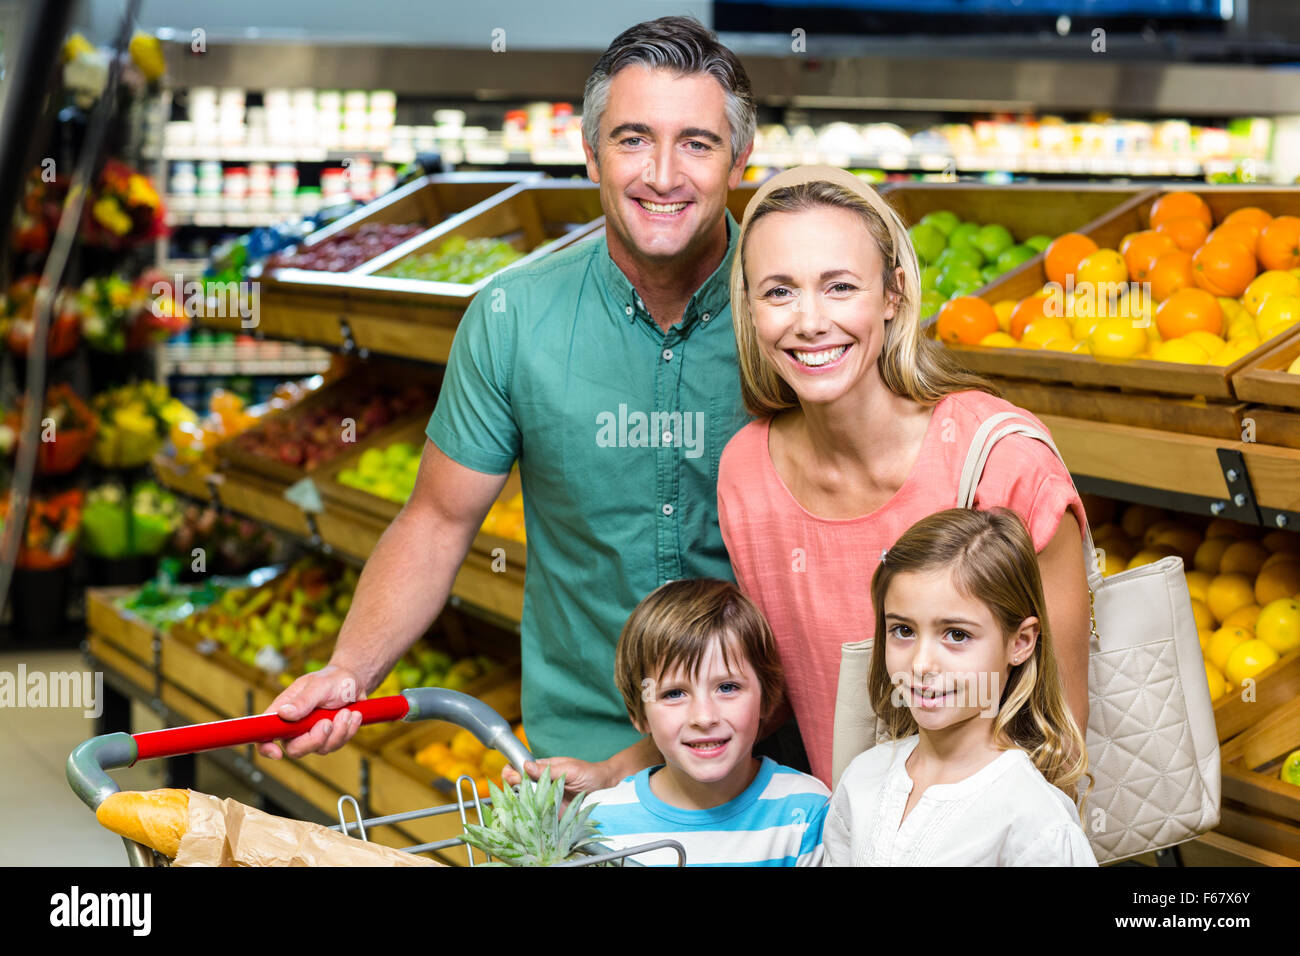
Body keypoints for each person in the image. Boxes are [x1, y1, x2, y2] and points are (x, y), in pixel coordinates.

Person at [256, 17, 758, 793]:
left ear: (740, 158)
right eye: (632, 140)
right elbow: (437, 520)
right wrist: (350, 670)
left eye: (697, 142)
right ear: (589, 154)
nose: (664, 173)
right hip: (577, 756)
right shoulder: (511, 317)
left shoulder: (793, 314)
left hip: (770, 752)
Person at [717, 165, 1092, 787]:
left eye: (840, 287)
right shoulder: (745, 472)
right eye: (778, 292)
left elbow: (1059, 731)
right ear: (749, 308)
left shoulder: (1001, 463)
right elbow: (782, 694)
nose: (809, 321)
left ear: (893, 295)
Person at [822, 508, 1097, 866]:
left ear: (1020, 642)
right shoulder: (861, 779)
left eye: (956, 635)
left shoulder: (1035, 821)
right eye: (903, 630)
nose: (921, 665)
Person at [585, 578, 828, 866]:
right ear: (638, 714)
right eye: (674, 693)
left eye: (727, 687)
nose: (704, 717)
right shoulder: (598, 823)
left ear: (766, 696)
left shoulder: (808, 813)